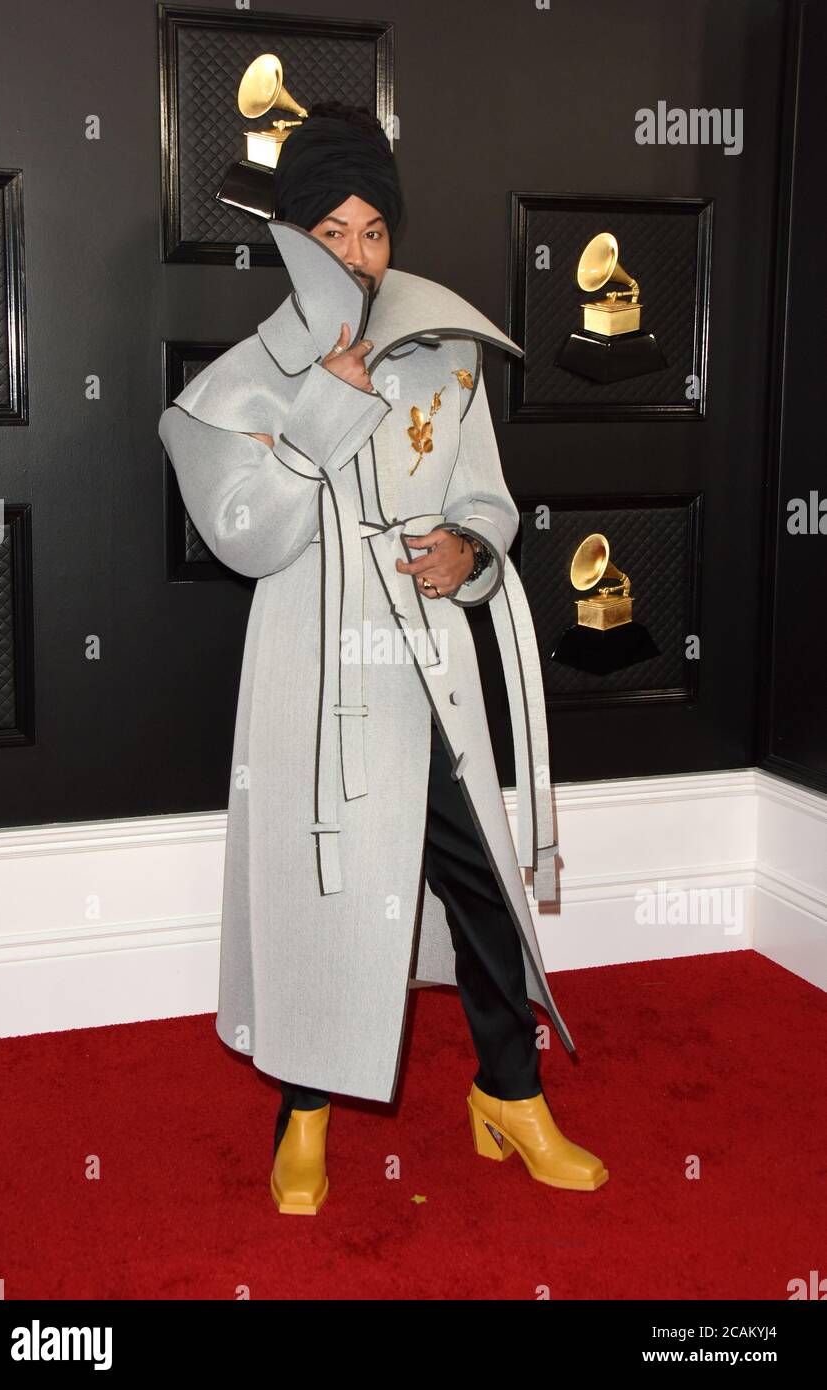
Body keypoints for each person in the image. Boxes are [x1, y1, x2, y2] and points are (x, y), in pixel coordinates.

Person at [158, 101, 608, 1214]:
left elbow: (486, 505)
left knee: (485, 892)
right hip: (316, 686)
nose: (355, 253)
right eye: (333, 229)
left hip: (426, 675)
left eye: (373, 229)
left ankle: (509, 1090)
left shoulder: (446, 353)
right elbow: (244, 538)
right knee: (328, 893)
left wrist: (470, 550)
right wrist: (319, 417)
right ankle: (302, 1115)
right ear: (295, 234)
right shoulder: (245, 380)